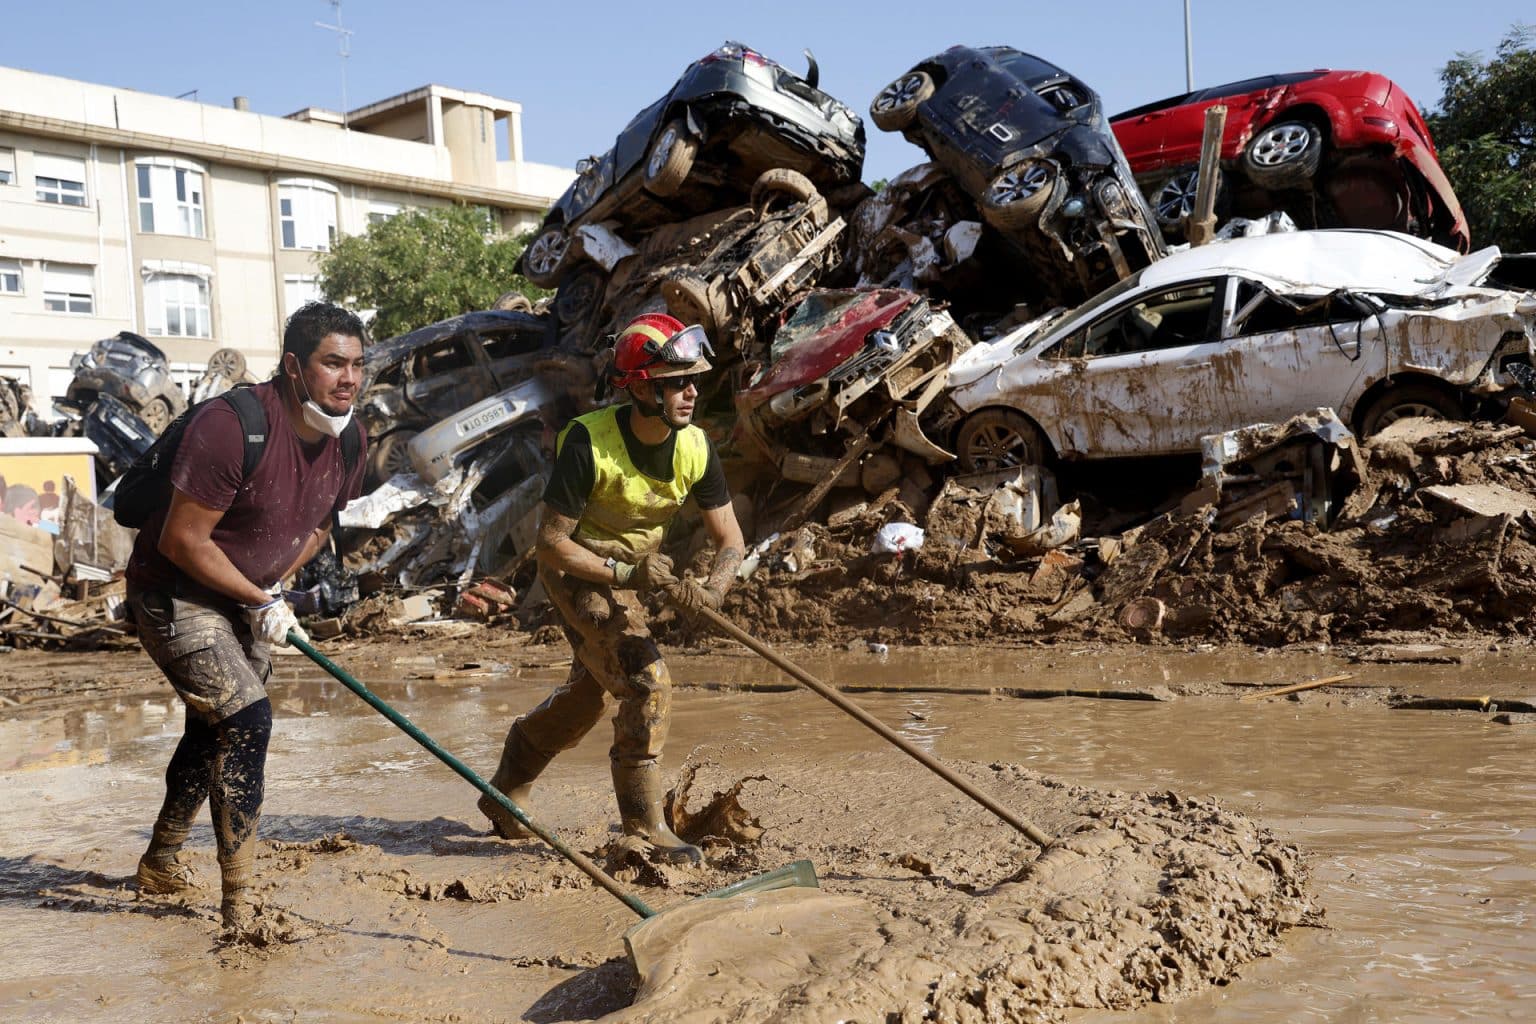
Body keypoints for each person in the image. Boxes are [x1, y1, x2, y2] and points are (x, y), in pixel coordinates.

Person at [125, 302, 367, 935]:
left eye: (358, 365)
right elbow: (181, 539)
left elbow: (320, 523)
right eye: (332, 363)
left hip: (248, 595)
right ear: (294, 366)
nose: (348, 379)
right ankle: (239, 906)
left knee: (214, 731)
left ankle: (159, 861)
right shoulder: (231, 426)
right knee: (248, 718)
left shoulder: (351, 438)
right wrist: (259, 598)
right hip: (173, 590)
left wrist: (275, 586)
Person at [479, 312, 744, 865]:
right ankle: (645, 829)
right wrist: (624, 574)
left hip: (635, 571)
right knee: (647, 683)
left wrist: (713, 591)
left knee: (590, 693)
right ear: (641, 387)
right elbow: (550, 543)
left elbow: (730, 541)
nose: (692, 392)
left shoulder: (695, 447)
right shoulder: (588, 442)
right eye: (678, 383)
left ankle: (508, 787)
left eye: (695, 380)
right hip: (580, 574)